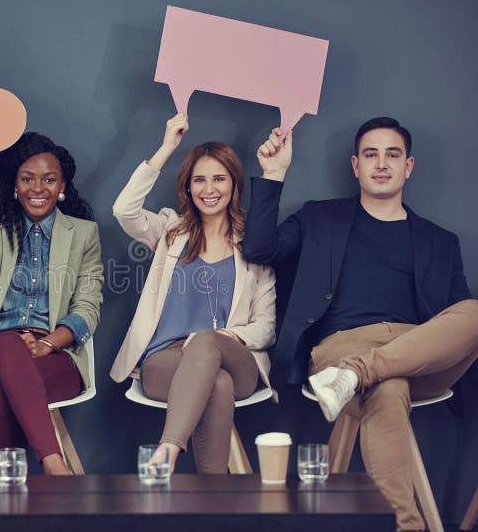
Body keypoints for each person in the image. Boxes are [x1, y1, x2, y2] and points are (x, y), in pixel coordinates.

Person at [245, 117, 478, 531]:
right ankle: (408, 525)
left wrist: (370, 365)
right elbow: (260, 249)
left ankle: (355, 375)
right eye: (371, 154)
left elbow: (454, 328)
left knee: (474, 313)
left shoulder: (441, 242)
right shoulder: (319, 218)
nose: (382, 163)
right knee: (388, 389)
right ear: (356, 165)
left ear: (408, 166)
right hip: (340, 347)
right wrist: (274, 174)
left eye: (393, 154)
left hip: (414, 353)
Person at [109, 114, 276, 474]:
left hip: (235, 356)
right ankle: (214, 498)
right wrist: (168, 146)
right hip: (165, 361)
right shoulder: (170, 231)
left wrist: (223, 337)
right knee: (216, 383)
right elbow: (124, 210)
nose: (208, 188)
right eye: (199, 180)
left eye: (219, 178)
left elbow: (266, 327)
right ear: (187, 186)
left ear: (234, 184)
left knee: (206, 344)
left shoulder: (254, 245)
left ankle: (168, 450)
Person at [0, 132, 103, 475]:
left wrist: (47, 344)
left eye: (49, 179)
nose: (38, 188)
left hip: (55, 354)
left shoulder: (84, 234)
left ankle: (9, 489)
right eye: (27, 178)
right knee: (8, 344)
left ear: (62, 185)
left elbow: (88, 310)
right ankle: (54, 464)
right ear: (15, 185)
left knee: (3, 394)